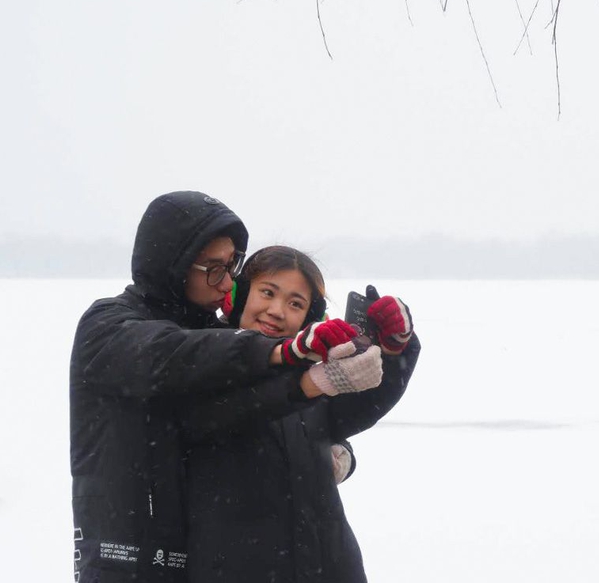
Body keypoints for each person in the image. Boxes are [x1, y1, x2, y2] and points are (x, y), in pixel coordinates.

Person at [70, 192, 383, 583]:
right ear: (174, 262)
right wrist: (285, 352)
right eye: (214, 268)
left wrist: (329, 446)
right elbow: (173, 357)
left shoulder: (214, 335)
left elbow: (258, 407)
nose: (227, 282)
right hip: (127, 557)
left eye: (232, 265)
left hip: (193, 556)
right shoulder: (109, 325)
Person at [182, 245, 421, 582]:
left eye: (296, 304)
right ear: (238, 296)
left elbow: (361, 404)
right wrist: (304, 381)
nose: (277, 311)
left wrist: (394, 349)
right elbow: (222, 414)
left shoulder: (313, 375)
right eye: (267, 292)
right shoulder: (203, 357)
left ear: (310, 319)